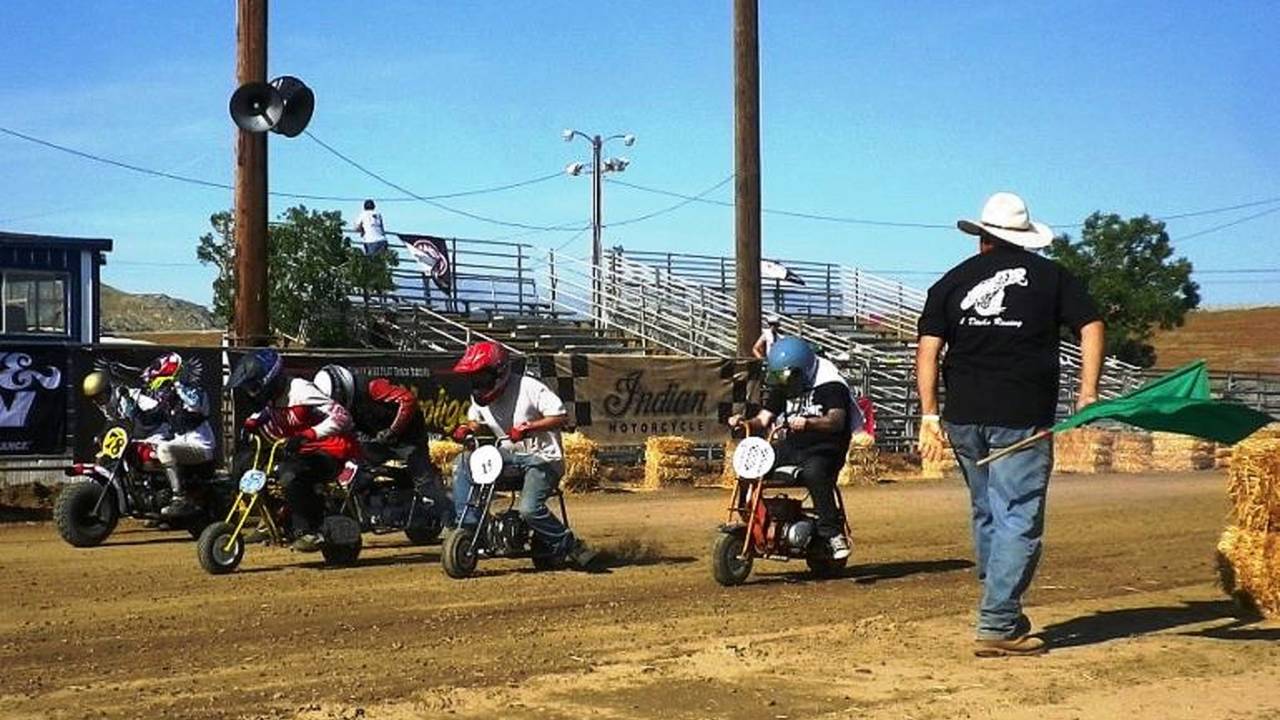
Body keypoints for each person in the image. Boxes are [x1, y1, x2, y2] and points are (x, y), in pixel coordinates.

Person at [915, 191, 1105, 657]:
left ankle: (1000, 605)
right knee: (1017, 514)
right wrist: (1087, 392)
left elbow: (927, 351)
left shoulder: (950, 282)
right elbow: (1092, 325)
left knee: (987, 511)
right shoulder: (1052, 278)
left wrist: (929, 413)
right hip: (1023, 415)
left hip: (963, 416)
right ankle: (998, 622)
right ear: (1024, 240)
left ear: (982, 237)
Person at [448, 341, 598, 569]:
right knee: (463, 461)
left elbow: (561, 417)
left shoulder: (528, 387)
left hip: (543, 459)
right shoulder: (479, 397)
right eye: (473, 379)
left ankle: (571, 545)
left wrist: (529, 428)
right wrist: (468, 429)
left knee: (529, 510)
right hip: (510, 457)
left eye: (481, 377)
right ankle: (469, 528)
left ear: (499, 372)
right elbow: (475, 419)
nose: (477, 384)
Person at [729, 337, 860, 560]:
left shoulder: (830, 384)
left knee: (814, 472)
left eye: (787, 377)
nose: (784, 383)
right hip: (792, 445)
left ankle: (832, 533)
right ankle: (751, 516)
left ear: (803, 370)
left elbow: (836, 421)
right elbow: (763, 419)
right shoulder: (785, 384)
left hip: (826, 448)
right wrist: (743, 423)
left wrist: (809, 422)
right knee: (751, 464)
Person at [228, 349, 361, 552]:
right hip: (300, 450)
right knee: (242, 466)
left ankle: (309, 531)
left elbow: (342, 417)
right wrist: (253, 423)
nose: (251, 391)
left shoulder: (300, 390)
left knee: (291, 474)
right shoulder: (272, 398)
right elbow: (266, 413)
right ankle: (273, 519)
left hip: (330, 450)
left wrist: (309, 434)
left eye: (254, 386)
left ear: (269, 379)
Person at [313, 364, 452, 525]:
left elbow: (407, 399)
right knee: (359, 471)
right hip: (375, 436)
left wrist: (393, 430)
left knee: (423, 478)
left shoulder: (372, 386)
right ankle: (367, 512)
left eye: (338, 397)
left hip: (408, 435)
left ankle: (448, 515)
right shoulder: (342, 405)